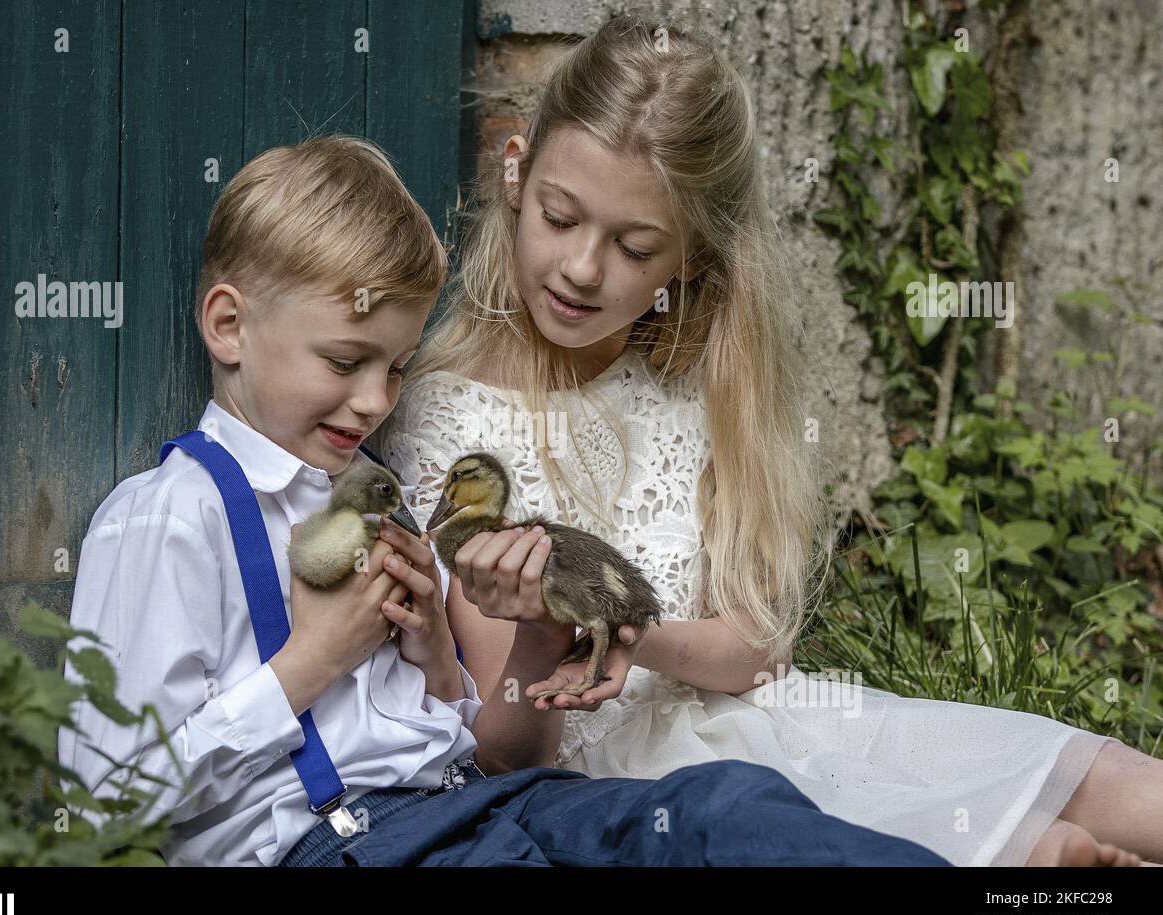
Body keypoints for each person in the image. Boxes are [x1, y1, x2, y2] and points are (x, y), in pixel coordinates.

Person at [368, 14, 1159, 867]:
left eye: (635, 246)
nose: (583, 268)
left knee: (1099, 776)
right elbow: (507, 757)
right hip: (632, 790)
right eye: (561, 218)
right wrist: (545, 630)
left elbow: (754, 652)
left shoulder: (696, 384)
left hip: (766, 717)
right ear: (515, 174)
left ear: (690, 256)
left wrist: (631, 633)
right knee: (1020, 849)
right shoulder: (446, 421)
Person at [57, 133, 950, 867]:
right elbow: (104, 796)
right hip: (340, 844)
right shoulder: (172, 515)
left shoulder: (379, 497)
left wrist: (437, 657)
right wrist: (312, 662)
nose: (376, 400)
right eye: (344, 362)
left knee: (727, 810)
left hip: (486, 804)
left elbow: (467, 743)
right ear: (228, 325)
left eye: (397, 368)